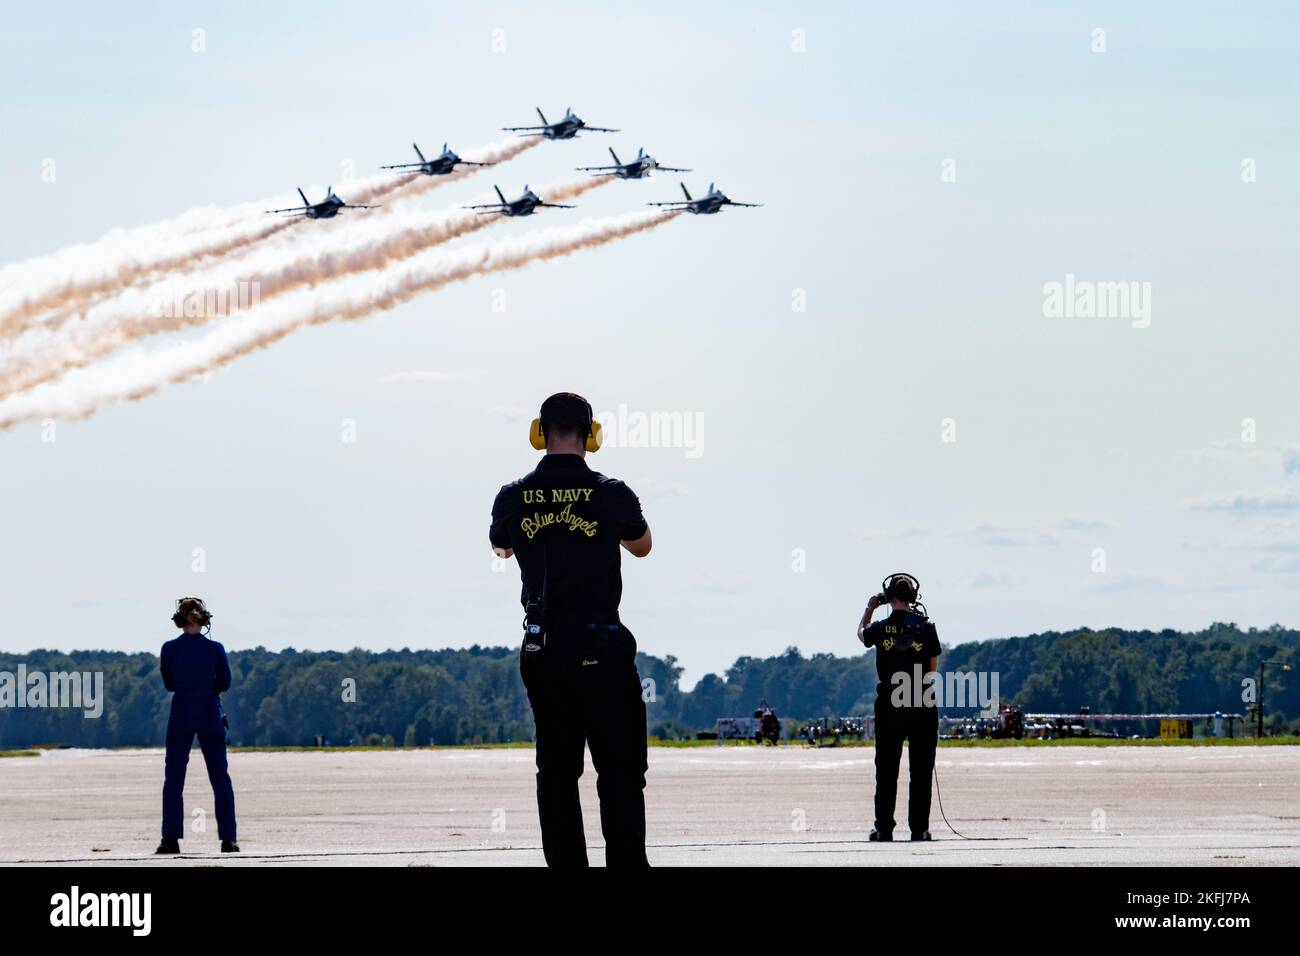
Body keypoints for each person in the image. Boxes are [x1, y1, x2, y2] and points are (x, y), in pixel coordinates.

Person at [489, 392, 654, 867]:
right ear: (591, 435)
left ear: (539, 434)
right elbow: (642, 547)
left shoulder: (513, 495)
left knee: (557, 771)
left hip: (546, 648)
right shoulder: (610, 491)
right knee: (620, 769)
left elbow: (501, 549)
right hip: (601, 644)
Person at [857, 572, 941, 842]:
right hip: (921, 702)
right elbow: (931, 669)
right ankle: (920, 829)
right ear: (914, 597)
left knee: (886, 769)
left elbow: (861, 634)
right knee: (921, 770)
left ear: (889, 596)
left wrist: (870, 607)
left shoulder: (881, 627)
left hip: (890, 704)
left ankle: (883, 828)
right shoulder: (927, 627)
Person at [155, 596, 238, 855]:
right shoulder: (216, 649)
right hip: (209, 710)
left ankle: (170, 839)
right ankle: (228, 839)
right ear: (204, 620)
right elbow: (224, 682)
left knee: (174, 778)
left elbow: (169, 684)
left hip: (182, 711)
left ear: (180, 621)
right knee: (220, 777)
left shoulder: (169, 649)